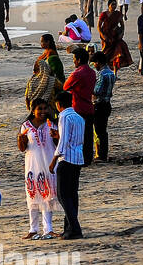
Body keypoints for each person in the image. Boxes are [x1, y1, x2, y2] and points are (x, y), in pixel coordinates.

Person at [17, 99, 58, 240]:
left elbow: (58, 144)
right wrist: (21, 139)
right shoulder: (26, 126)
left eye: (45, 108)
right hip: (33, 165)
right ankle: (33, 229)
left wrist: (56, 136)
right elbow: (22, 148)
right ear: (33, 110)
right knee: (33, 196)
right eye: (39, 109)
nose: (43, 111)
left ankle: (48, 228)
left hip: (48, 164)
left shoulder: (52, 124)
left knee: (48, 196)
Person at [51, 89, 84, 239]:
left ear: (58, 104)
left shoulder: (63, 116)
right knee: (72, 195)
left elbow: (63, 142)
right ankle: (69, 228)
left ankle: (75, 228)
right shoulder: (78, 117)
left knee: (63, 195)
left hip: (66, 159)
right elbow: (73, 138)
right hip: (77, 158)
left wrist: (53, 160)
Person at [64, 46, 97, 163]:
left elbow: (65, 86)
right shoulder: (92, 72)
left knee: (78, 136)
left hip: (79, 107)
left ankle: (81, 159)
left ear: (78, 60)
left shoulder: (77, 73)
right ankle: (88, 158)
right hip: (89, 107)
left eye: (74, 58)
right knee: (88, 136)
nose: (73, 61)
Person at [90, 50, 116, 161]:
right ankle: (103, 153)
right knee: (103, 130)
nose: (94, 65)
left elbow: (97, 91)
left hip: (99, 104)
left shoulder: (101, 74)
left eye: (95, 63)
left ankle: (101, 155)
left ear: (98, 62)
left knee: (99, 131)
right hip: (107, 103)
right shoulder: (111, 73)